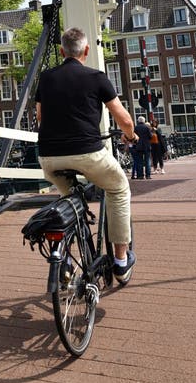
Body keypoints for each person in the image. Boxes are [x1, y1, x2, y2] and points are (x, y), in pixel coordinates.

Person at [35, 27, 138, 284]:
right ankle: (121, 261)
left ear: (62, 52)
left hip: (49, 157)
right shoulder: (96, 77)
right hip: (87, 153)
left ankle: (66, 261)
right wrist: (130, 135)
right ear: (87, 51)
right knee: (118, 189)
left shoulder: (46, 78)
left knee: (69, 200)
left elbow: (40, 117)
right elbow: (124, 119)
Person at [133, 115, 153, 180]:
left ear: (138, 121)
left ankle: (140, 175)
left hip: (138, 146)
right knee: (147, 161)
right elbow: (150, 136)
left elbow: (133, 137)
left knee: (139, 161)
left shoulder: (136, 128)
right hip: (146, 146)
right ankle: (148, 175)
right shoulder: (147, 128)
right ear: (144, 121)